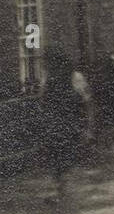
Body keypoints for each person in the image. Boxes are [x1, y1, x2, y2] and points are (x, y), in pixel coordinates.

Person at [38, 48, 92, 194]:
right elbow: (43, 100)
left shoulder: (75, 77)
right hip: (53, 121)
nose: (44, 66)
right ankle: (57, 185)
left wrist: (87, 127)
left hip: (70, 120)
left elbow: (86, 102)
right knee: (53, 153)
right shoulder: (47, 78)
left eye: (47, 62)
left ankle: (61, 185)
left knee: (66, 153)